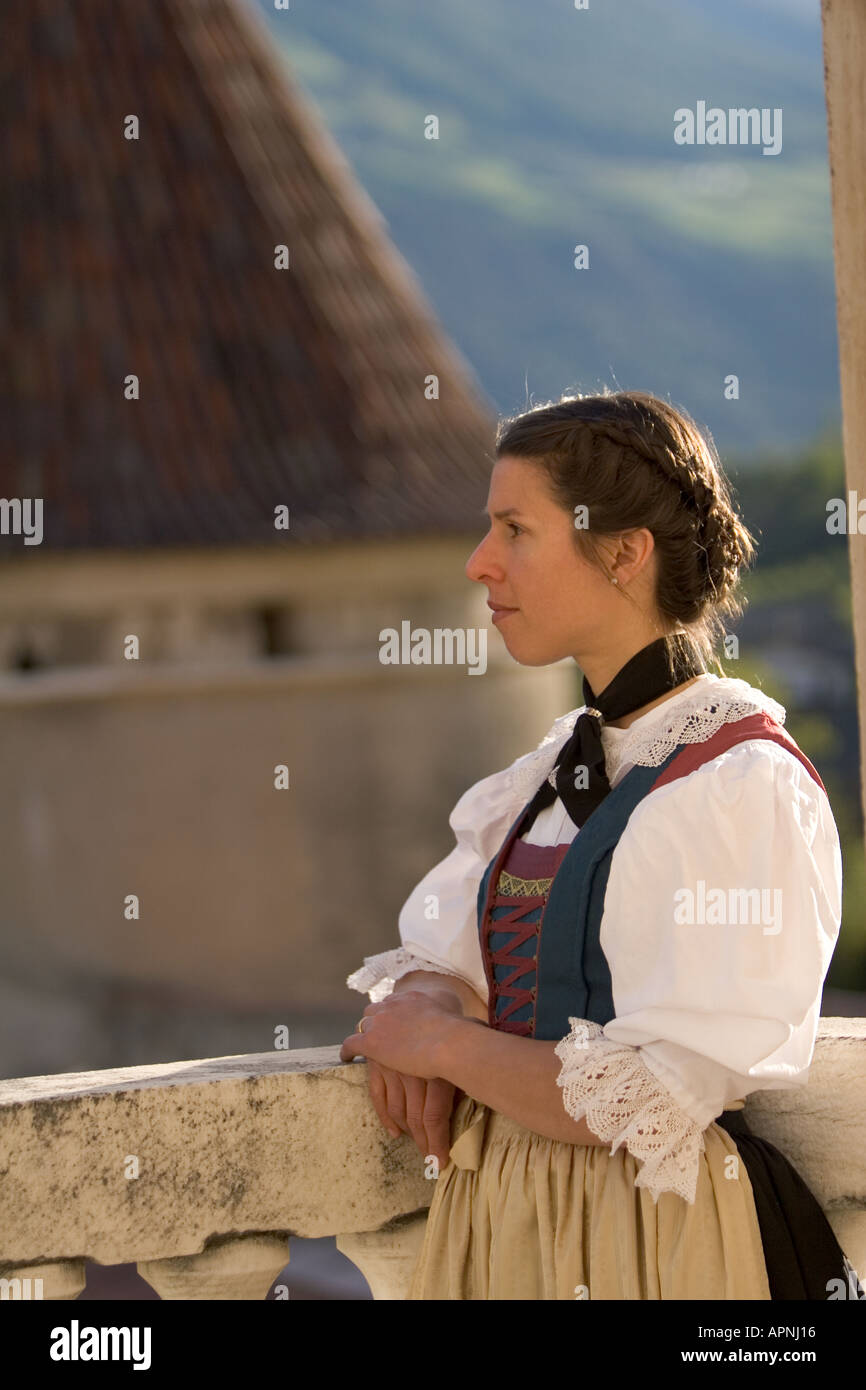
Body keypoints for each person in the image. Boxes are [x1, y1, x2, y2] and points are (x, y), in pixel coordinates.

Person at [340, 390, 862, 1301]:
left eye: (514, 529)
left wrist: (447, 1049)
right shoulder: (557, 772)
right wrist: (430, 992)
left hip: (652, 1241)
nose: (479, 563)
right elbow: (451, 951)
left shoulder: (740, 786)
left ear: (624, 552)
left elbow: (658, 1095)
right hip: (508, 1223)